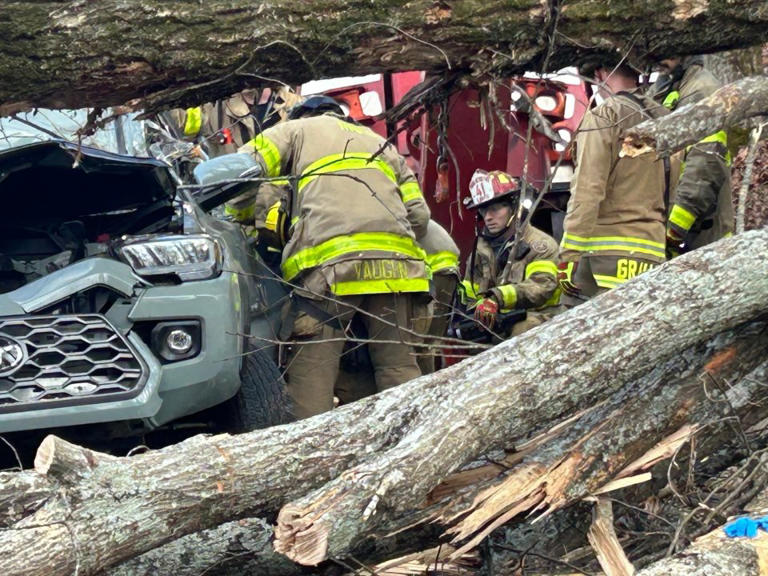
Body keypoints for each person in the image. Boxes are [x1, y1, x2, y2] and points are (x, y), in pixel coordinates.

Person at [239, 94, 431, 419]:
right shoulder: (379, 142)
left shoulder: (295, 131)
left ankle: (309, 458)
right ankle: (419, 441)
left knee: (312, 372)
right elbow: (419, 215)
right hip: (398, 270)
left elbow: (244, 167)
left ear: (300, 116)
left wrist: (244, 218)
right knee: (397, 366)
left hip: (331, 272)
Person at [557, 52, 675, 302]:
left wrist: (569, 253)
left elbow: (588, 188)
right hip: (651, 253)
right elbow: (673, 188)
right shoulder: (667, 119)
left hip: (604, 257)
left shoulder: (604, 116)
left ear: (599, 74)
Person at [460, 169, 561, 339]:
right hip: (499, 320)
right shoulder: (480, 250)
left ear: (514, 207)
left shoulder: (539, 245)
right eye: (484, 211)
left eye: (495, 209)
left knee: (523, 330)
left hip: (540, 317)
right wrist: (475, 313)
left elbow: (541, 286)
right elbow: (470, 295)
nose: (488, 217)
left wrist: (496, 298)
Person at [650, 56, 734, 256]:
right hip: (676, 232)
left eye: (669, 51)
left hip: (703, 235)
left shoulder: (703, 89)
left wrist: (676, 227)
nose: (660, 57)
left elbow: (706, 163)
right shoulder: (666, 87)